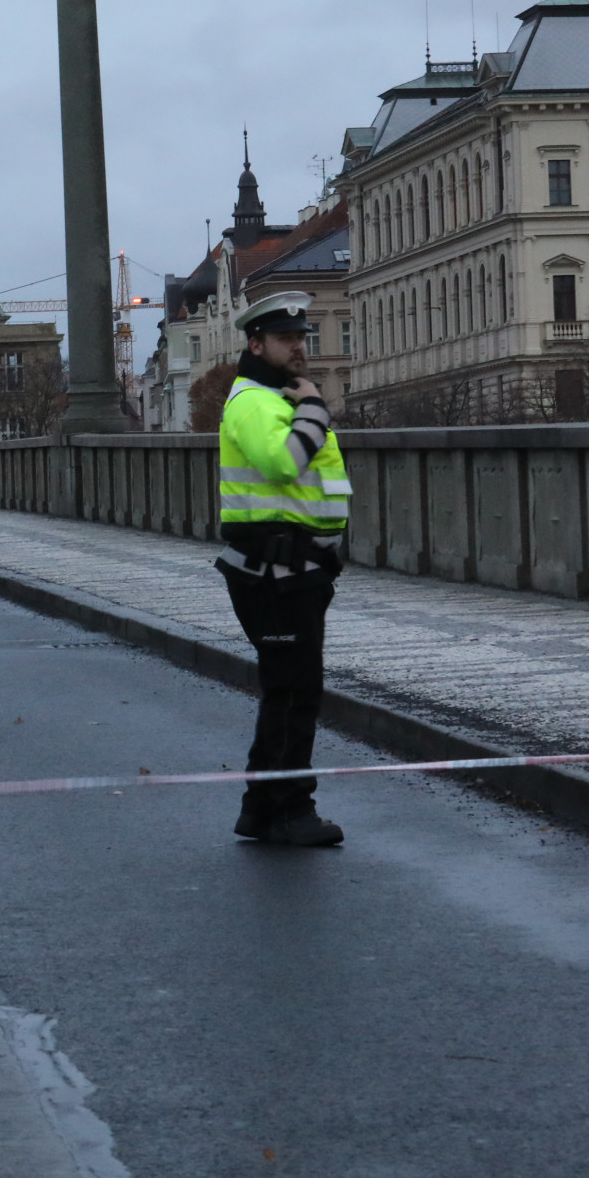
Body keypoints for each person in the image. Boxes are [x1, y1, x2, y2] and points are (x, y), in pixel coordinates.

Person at [214, 291, 350, 847]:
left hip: (296, 569)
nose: (299, 346)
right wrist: (316, 407)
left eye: (301, 337)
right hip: (273, 571)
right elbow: (284, 463)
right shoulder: (254, 402)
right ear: (256, 345)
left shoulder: (278, 398)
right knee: (294, 692)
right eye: (285, 339)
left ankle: (260, 809)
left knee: (287, 690)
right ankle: (292, 810)